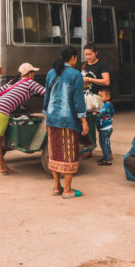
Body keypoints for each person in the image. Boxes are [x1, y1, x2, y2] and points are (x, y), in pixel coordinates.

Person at [0, 62, 46, 180]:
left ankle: (3, 167)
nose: (34, 75)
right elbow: (45, 92)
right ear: (30, 74)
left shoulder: (13, 82)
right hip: (2, 110)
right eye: (33, 72)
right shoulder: (29, 82)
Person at [43, 46, 88, 198]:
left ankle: (57, 187)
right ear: (73, 58)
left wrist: (45, 117)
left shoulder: (51, 72)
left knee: (54, 153)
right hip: (68, 121)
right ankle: (68, 190)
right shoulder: (76, 75)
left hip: (52, 119)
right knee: (69, 154)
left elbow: (46, 97)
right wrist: (84, 121)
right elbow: (78, 100)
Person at [95, 89, 115, 165]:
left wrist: (94, 113)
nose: (99, 98)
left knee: (103, 143)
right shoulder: (109, 105)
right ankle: (109, 155)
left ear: (108, 97)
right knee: (106, 142)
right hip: (108, 127)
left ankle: (107, 160)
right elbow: (113, 112)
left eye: (101, 96)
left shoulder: (105, 105)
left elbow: (100, 113)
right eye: (98, 96)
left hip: (104, 129)